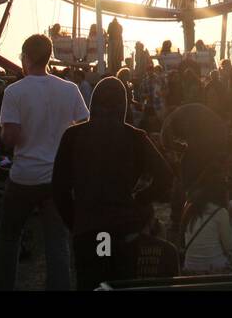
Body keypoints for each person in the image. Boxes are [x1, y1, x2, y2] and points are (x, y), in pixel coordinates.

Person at [51, 76, 173, 290]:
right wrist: (140, 199)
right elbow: (165, 176)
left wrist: (76, 220)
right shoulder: (135, 137)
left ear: (93, 103)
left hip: (90, 230)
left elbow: (59, 188)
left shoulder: (73, 136)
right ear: (123, 105)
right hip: (125, 230)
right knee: (121, 284)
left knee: (93, 282)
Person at [0, 33, 89, 291]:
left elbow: (10, 138)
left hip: (23, 176)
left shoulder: (15, 91)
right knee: (57, 243)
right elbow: (82, 129)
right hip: (56, 178)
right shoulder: (70, 89)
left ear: (27, 56)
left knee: (9, 238)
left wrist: (2, 130)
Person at [180, 177, 232, 274]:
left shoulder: (191, 209)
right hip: (214, 270)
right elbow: (229, 247)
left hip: (190, 269)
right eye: (227, 195)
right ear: (221, 195)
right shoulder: (220, 212)